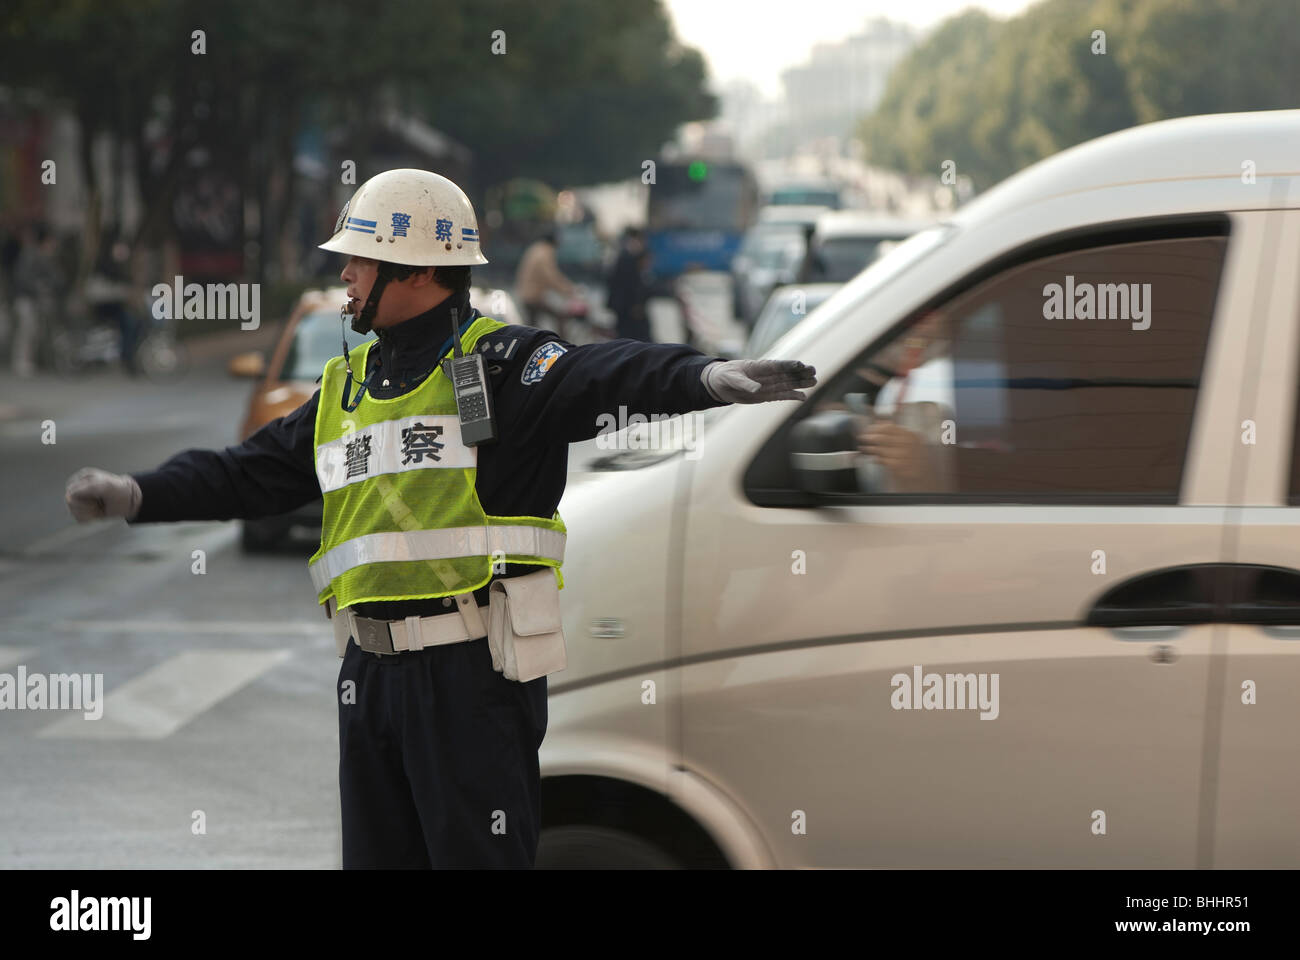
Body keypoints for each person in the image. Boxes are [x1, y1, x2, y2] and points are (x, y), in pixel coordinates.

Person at [63, 168, 817, 869]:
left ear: (418, 270)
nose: (344, 275)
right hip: (367, 678)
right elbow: (248, 472)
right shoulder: (345, 386)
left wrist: (706, 378)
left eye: (358, 259)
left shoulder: (503, 367)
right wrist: (137, 494)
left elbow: (603, 372)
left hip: (471, 678)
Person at [12, 223, 61, 377]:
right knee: (27, 330)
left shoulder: (46, 256)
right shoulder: (30, 254)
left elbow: (56, 277)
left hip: (37, 300)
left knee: (36, 331)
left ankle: (37, 361)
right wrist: (39, 287)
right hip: (25, 299)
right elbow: (22, 278)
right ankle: (21, 362)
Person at [515, 230, 577, 338]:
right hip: (533, 296)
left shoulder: (535, 249)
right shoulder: (545, 252)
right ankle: (563, 343)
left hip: (526, 294)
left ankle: (529, 347)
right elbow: (551, 277)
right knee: (560, 316)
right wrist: (568, 289)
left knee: (531, 326)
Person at [606, 227, 651, 341]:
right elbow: (629, 284)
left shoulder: (623, 255)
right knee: (631, 336)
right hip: (627, 306)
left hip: (623, 305)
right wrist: (636, 304)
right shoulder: (627, 258)